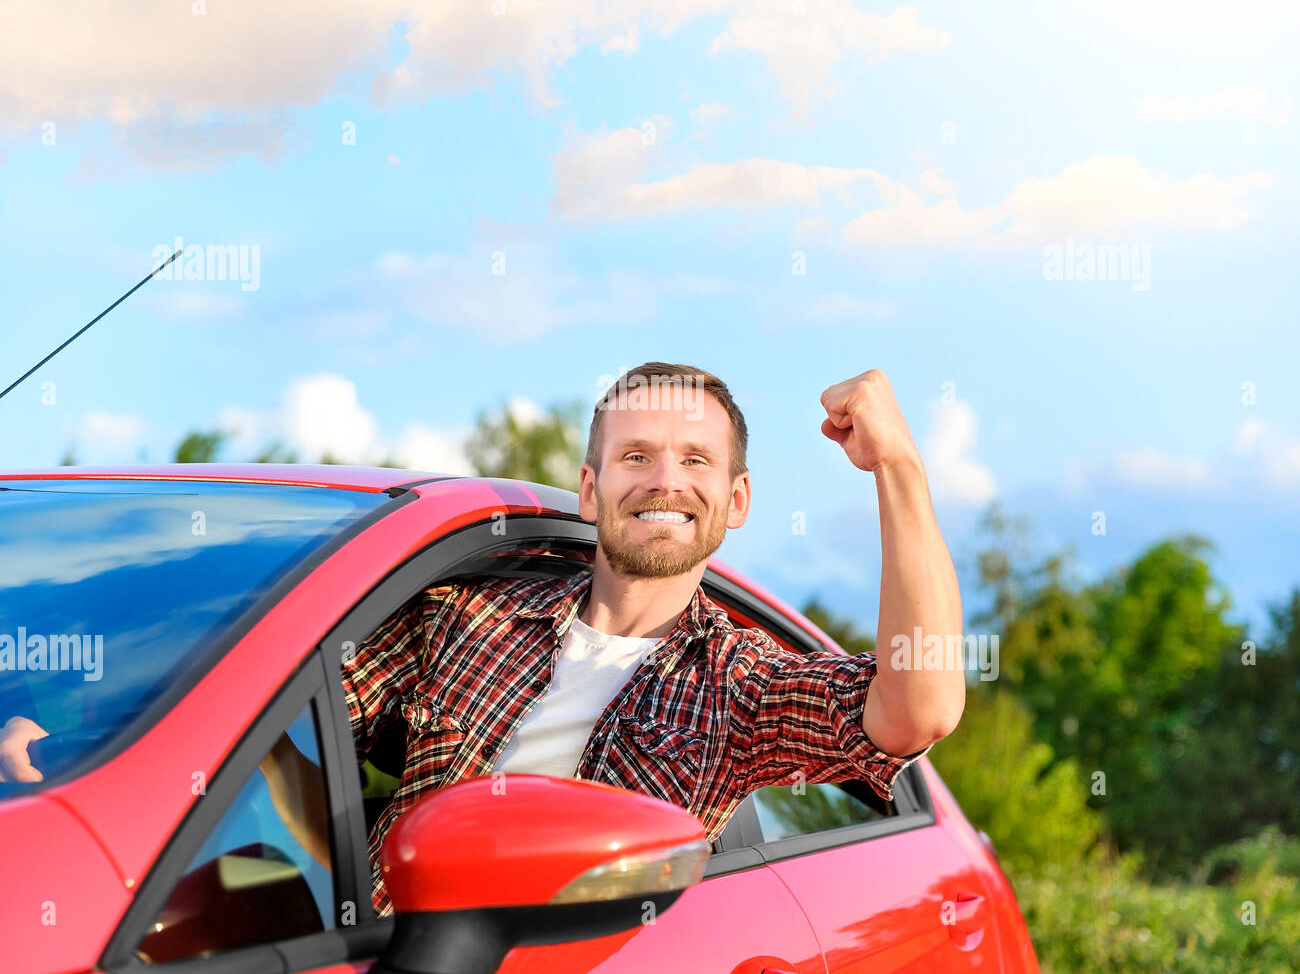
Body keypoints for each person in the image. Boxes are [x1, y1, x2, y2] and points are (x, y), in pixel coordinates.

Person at [1, 362, 967, 919]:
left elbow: (916, 706)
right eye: (634, 456)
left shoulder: (742, 683)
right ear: (589, 490)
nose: (662, 480)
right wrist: (68, 734)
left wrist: (899, 468)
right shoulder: (462, 613)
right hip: (371, 971)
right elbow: (272, 712)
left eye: (695, 461)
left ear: (737, 501)